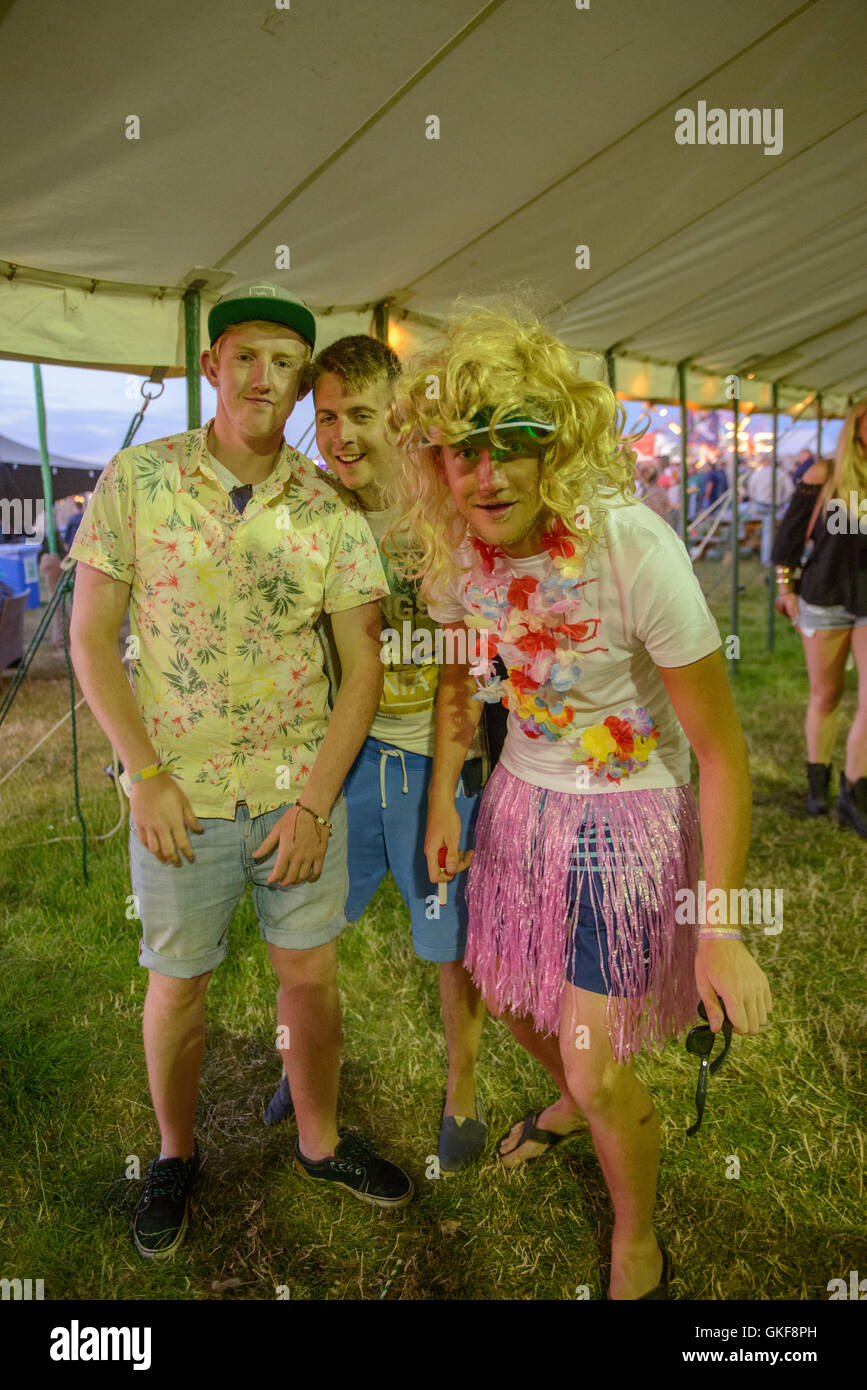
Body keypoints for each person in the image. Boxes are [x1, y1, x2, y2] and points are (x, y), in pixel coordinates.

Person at [387, 304, 771, 1300]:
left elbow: (724, 757)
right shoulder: (456, 556)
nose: (489, 473)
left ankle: (636, 1237)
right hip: (518, 804)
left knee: (599, 1065)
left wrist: (720, 927)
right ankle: (571, 1101)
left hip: (628, 812)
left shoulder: (633, 549)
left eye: (516, 441)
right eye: (463, 451)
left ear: (558, 442)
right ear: (435, 466)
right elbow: (458, 679)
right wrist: (442, 797)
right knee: (515, 1000)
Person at [69, 281, 413, 1260]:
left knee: (310, 982)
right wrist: (144, 773)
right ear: (210, 364)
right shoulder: (137, 480)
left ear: (300, 382)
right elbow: (93, 638)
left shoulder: (327, 507)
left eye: (285, 363)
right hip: (181, 803)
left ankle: (319, 1140)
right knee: (176, 984)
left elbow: (362, 670)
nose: (266, 377)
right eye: (247, 355)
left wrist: (314, 803)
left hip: (295, 806)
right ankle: (175, 1155)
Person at [272, 333, 488, 1172]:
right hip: (343, 763)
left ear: (396, 417)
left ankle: (462, 1091)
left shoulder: (443, 509)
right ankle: (302, 1068)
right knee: (304, 931)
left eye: (359, 414)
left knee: (447, 941)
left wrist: (443, 792)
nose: (341, 436)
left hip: (436, 764)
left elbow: (460, 671)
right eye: (326, 418)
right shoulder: (313, 510)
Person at [773, 401, 867, 832]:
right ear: (856, 428)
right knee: (826, 695)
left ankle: (853, 791)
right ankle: (818, 783)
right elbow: (788, 539)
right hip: (824, 597)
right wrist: (784, 588)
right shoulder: (823, 475)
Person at [747, 459, 794, 567]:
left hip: (760, 505)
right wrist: (783, 500)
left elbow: (751, 490)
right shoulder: (780, 473)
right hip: (774, 506)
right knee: (769, 532)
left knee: (765, 531)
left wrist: (755, 499)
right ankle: (767, 558)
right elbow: (790, 489)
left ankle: (765, 557)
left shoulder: (758, 474)